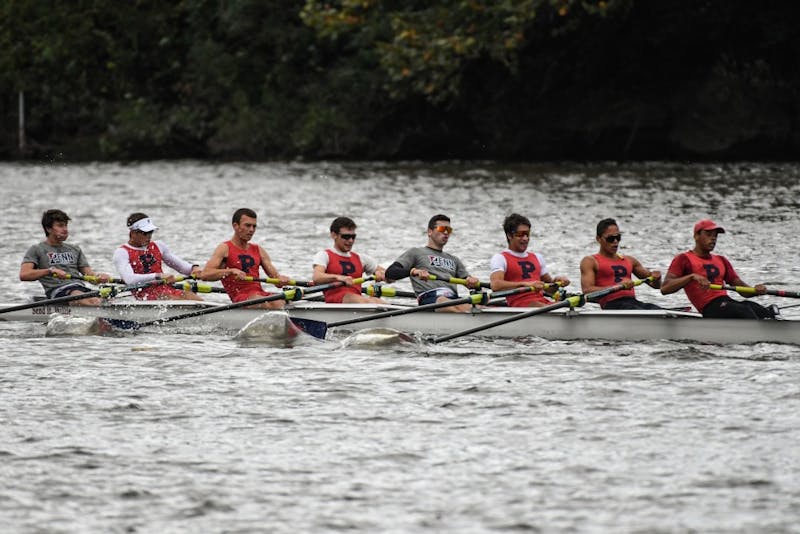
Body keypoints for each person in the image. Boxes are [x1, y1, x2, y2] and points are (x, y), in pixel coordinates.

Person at [660, 219, 776, 319]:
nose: (713, 238)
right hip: (710, 308)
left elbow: (742, 290)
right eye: (708, 234)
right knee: (743, 310)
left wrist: (755, 291)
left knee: (759, 309)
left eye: (715, 235)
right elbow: (665, 288)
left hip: (726, 303)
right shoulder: (684, 259)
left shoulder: (721, 260)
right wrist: (691, 277)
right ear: (696, 236)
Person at [385, 214, 480, 312]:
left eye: (449, 230)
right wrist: (414, 271)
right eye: (442, 229)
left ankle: (470, 314)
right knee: (442, 300)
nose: (446, 232)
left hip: (453, 299)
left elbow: (467, 281)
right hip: (430, 298)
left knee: (480, 305)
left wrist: (472, 281)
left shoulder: (454, 259)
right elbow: (390, 272)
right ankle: (466, 316)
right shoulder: (416, 252)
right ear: (430, 232)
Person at [201, 208, 291, 309]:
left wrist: (281, 279)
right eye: (247, 225)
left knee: (285, 299)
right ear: (235, 226)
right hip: (241, 299)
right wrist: (231, 271)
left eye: (254, 226)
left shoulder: (258, 250)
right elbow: (205, 274)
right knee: (271, 302)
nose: (251, 230)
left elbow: (276, 281)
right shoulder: (224, 248)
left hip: (260, 295)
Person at [20, 209, 111, 305]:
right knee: (81, 295)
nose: (65, 229)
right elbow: (24, 275)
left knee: (106, 297)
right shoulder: (37, 249)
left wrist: (99, 277)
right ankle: (98, 309)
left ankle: (101, 309)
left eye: (66, 225)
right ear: (48, 229)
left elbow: (89, 275)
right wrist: (50, 271)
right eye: (60, 226)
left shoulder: (74, 249)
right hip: (58, 291)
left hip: (80, 288)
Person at [112, 213, 203, 301]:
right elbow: (129, 279)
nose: (149, 236)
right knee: (176, 298)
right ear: (133, 233)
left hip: (167, 290)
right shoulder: (122, 252)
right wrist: (158, 276)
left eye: (151, 232)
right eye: (145, 233)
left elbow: (181, 267)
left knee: (193, 297)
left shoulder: (159, 246)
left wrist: (194, 268)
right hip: (146, 296)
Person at [579, 218, 662, 310]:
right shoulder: (590, 261)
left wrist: (657, 278)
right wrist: (618, 286)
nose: (615, 241)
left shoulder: (630, 260)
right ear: (598, 239)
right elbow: (587, 291)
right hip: (612, 305)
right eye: (610, 239)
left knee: (658, 309)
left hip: (633, 302)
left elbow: (656, 286)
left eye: (618, 237)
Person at [489, 213, 570, 307]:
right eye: (520, 234)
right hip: (520, 305)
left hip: (541, 303)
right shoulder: (500, 258)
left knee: (568, 305)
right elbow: (495, 285)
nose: (525, 238)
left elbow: (550, 290)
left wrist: (557, 282)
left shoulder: (537, 257)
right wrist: (525, 284)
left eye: (527, 234)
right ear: (509, 235)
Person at [312, 217, 387, 304]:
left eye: (353, 237)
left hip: (356, 300)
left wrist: (382, 274)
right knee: (369, 302)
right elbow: (317, 277)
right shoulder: (324, 255)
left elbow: (390, 277)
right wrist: (339, 277)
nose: (351, 240)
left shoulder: (361, 258)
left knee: (380, 302)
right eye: (346, 237)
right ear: (334, 235)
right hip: (336, 301)